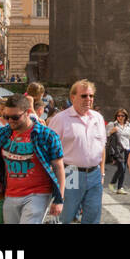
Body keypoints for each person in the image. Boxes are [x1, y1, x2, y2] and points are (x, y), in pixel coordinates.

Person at [0, 93, 66, 224]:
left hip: (38, 193)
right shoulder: (4, 132)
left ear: (28, 112)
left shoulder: (46, 135)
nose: (10, 121)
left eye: (15, 117)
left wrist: (59, 199)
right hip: (10, 193)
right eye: (6, 117)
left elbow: (59, 168)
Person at [48, 78, 107, 223]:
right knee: (66, 216)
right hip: (70, 173)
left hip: (94, 174)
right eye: (84, 96)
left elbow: (102, 148)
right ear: (72, 97)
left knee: (93, 216)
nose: (88, 99)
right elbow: (49, 151)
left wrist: (102, 172)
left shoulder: (98, 118)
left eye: (91, 96)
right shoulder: (60, 119)